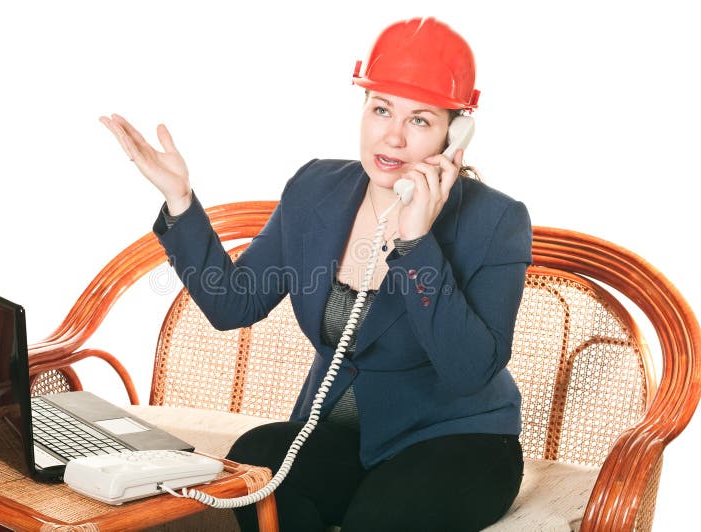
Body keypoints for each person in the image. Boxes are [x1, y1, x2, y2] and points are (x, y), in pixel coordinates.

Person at [101, 16, 531, 532]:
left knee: (380, 520)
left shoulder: (496, 221)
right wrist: (179, 199)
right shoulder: (315, 189)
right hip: (339, 437)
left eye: (420, 120)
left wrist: (416, 242)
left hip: (455, 441)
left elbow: (469, 370)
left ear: (454, 134)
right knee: (255, 462)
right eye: (381, 109)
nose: (393, 136)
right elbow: (233, 303)